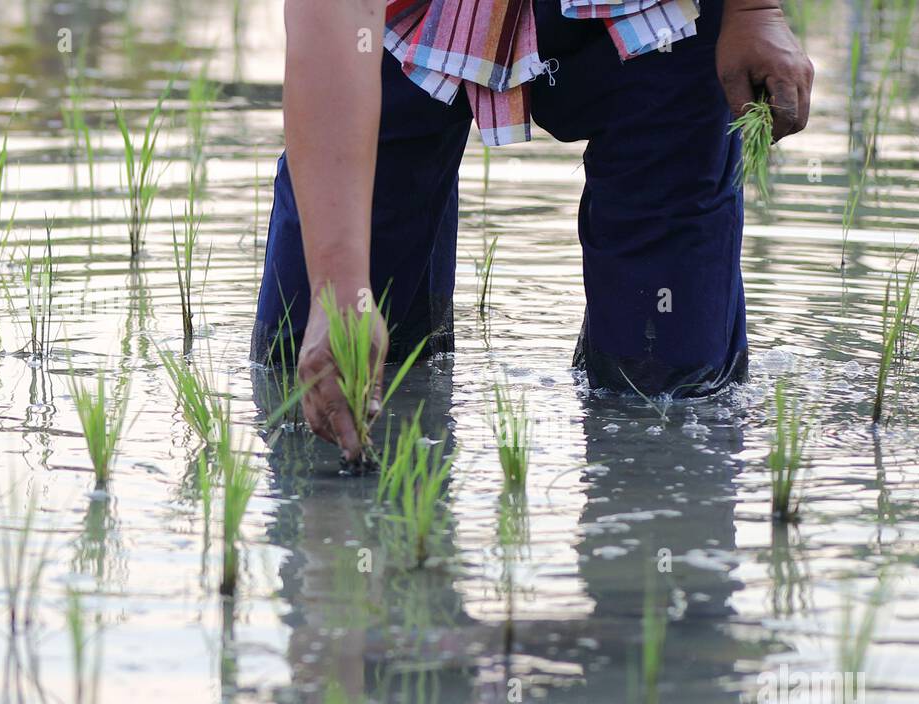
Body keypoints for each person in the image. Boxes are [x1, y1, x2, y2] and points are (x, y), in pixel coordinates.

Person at [254, 0, 814, 462]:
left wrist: (753, 10)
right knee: (310, 375)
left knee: (664, 403)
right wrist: (339, 285)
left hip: (657, 17)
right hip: (413, 23)